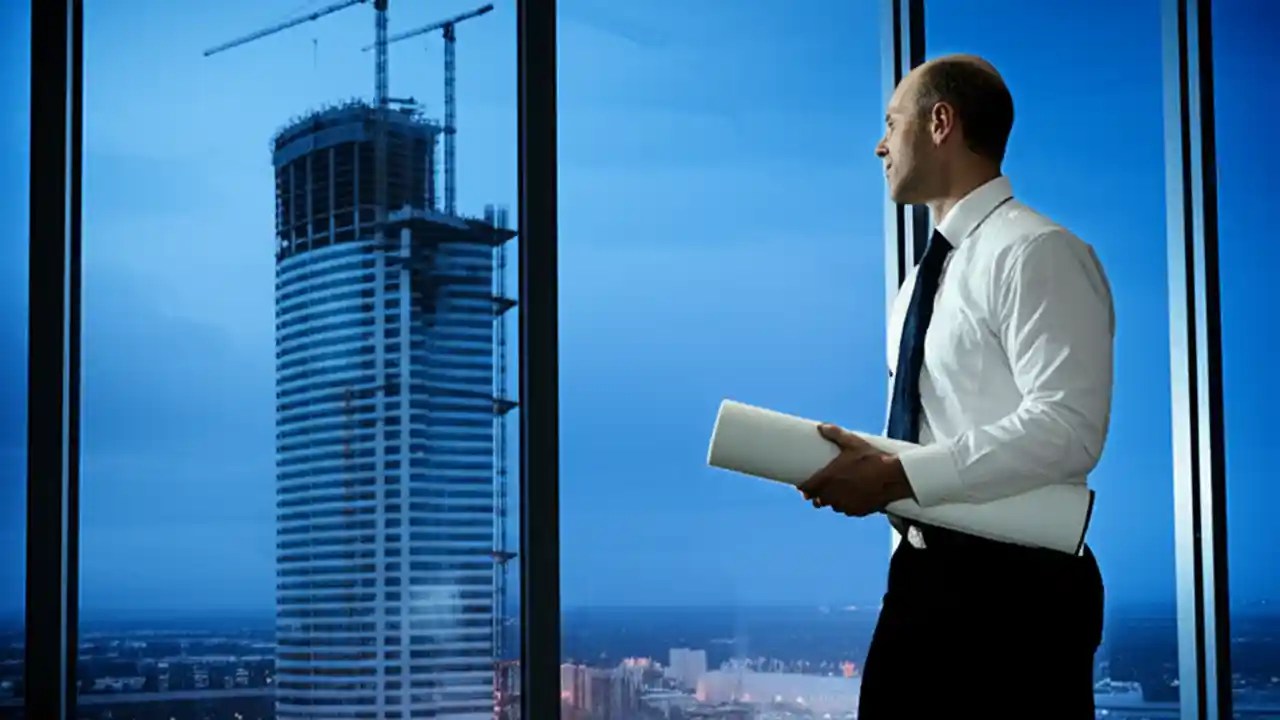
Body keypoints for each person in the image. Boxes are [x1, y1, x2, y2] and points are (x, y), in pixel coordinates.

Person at [797, 54, 1113, 716]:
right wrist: (873, 464)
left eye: (892, 123)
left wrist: (897, 477)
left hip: (1019, 592)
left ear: (940, 122)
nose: (880, 144)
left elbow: (1068, 427)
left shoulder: (1037, 252)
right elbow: (943, 426)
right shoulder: (920, 282)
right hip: (921, 577)